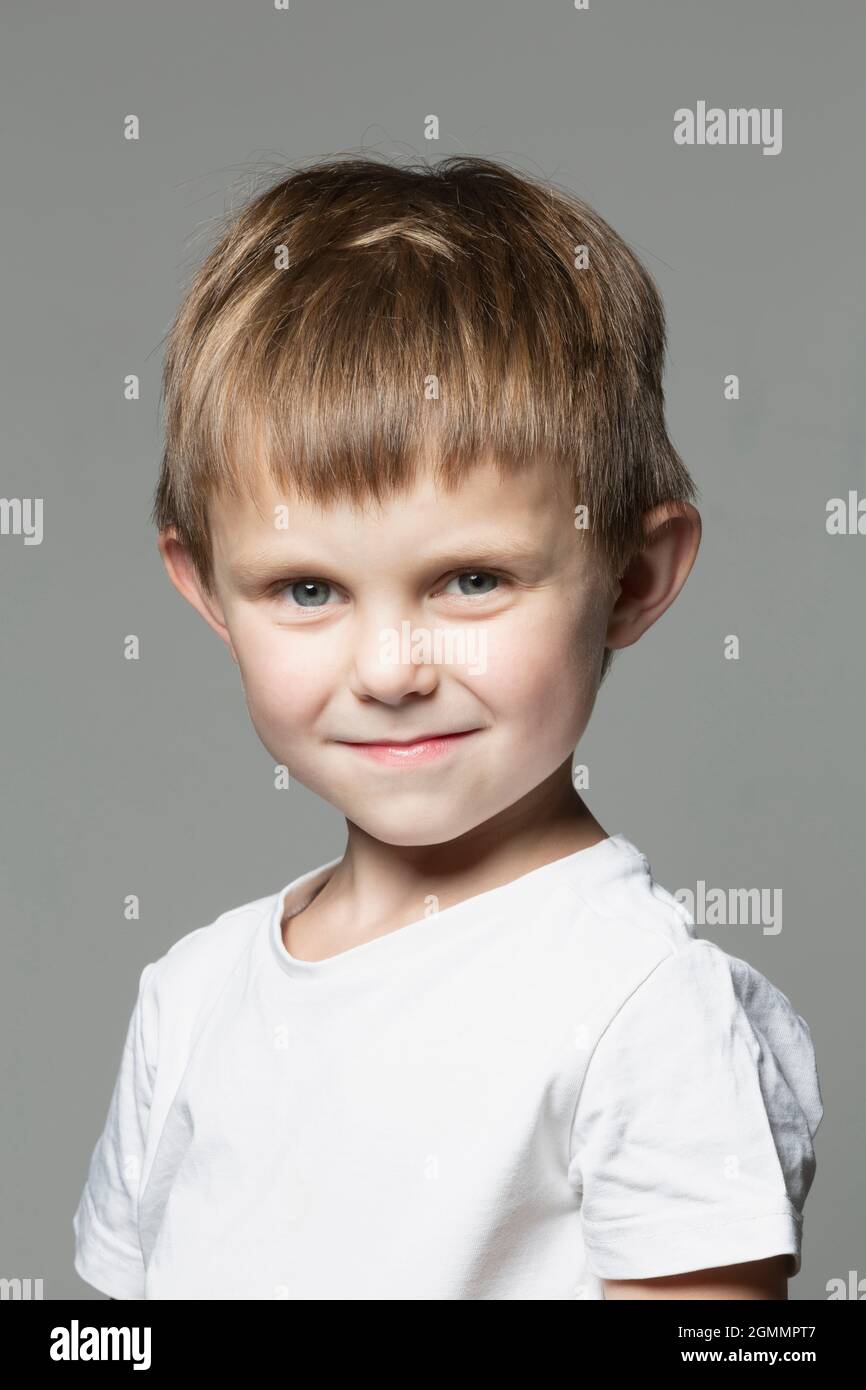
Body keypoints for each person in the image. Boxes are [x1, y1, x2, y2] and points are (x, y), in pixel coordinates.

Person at [73, 155, 822, 1300]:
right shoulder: (190, 998)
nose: (388, 669)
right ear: (207, 589)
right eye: (307, 590)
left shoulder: (640, 1007)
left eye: (470, 579)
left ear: (632, 576)